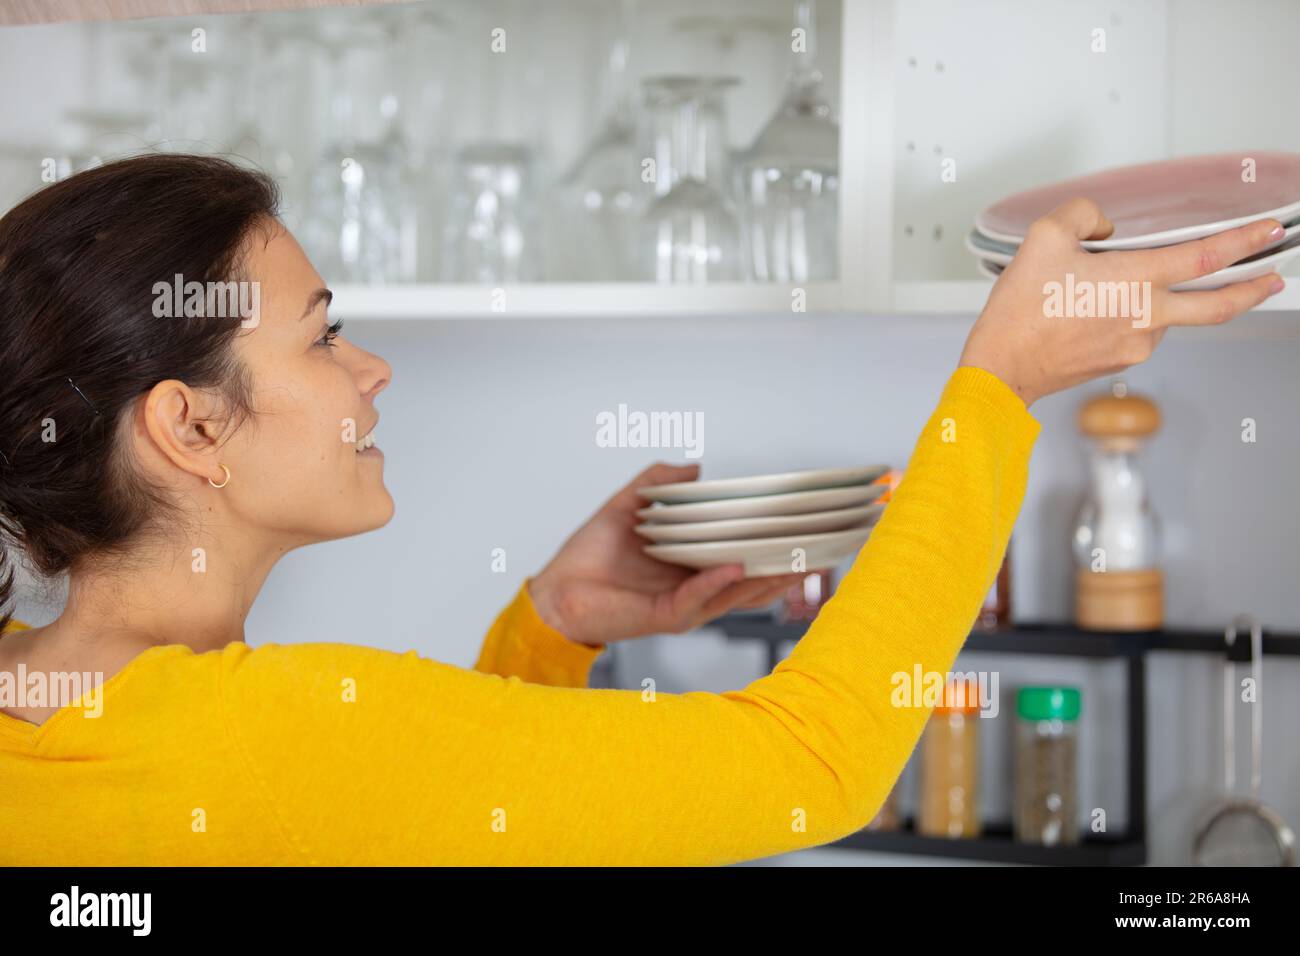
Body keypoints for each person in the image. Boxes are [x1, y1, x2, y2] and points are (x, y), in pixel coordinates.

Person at [0, 154, 1285, 864]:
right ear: (191, 425)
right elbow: (813, 766)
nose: (370, 369)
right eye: (325, 335)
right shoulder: (262, 733)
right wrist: (999, 389)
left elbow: (411, 814)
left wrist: (553, 625)